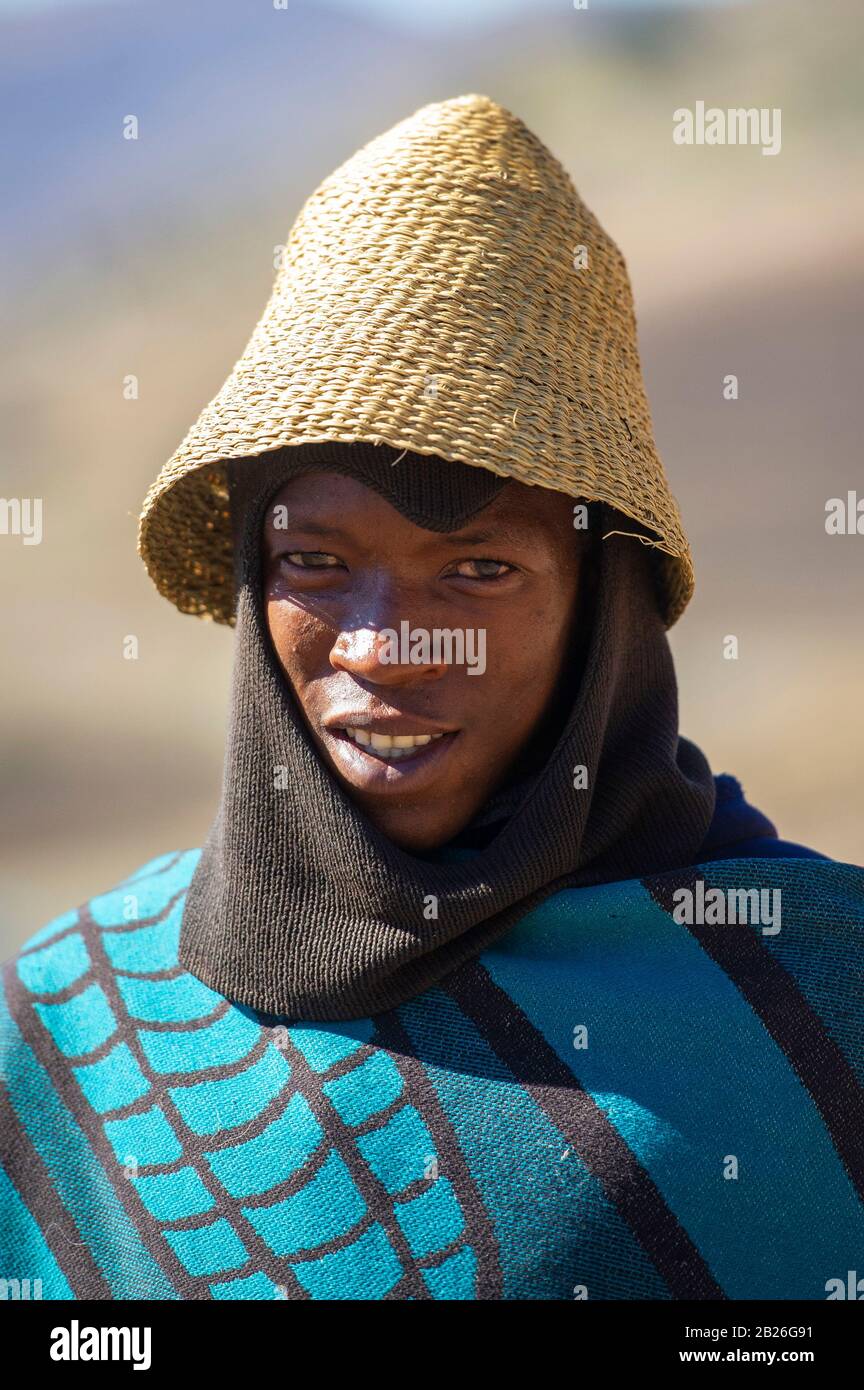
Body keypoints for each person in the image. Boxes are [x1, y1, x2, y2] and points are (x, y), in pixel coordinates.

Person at [1, 94, 862, 1303]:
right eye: (314, 562)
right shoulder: (73, 1021)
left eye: (478, 569)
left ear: (602, 603)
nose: (387, 643)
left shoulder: (825, 995)